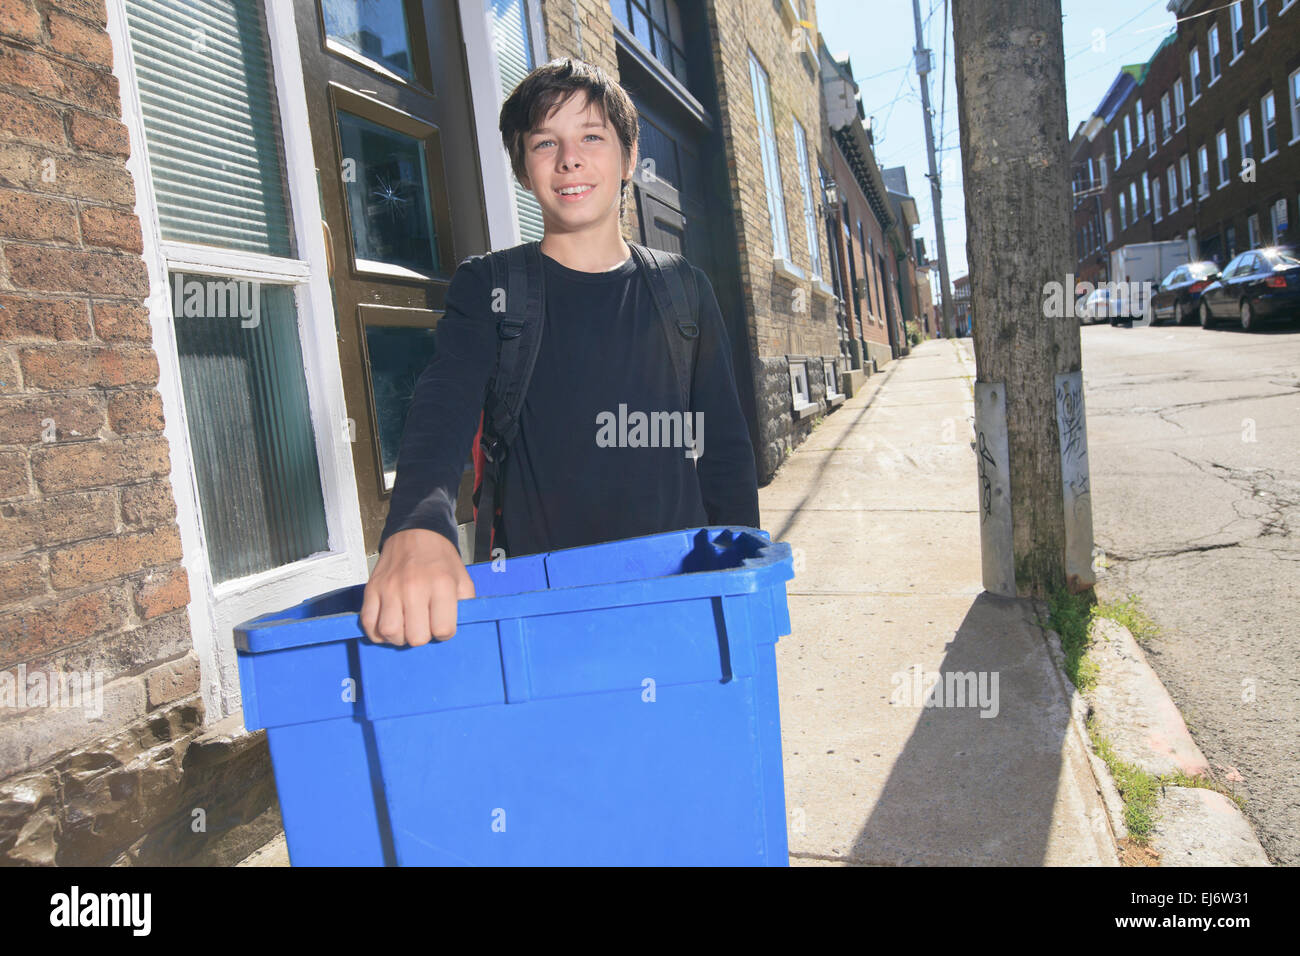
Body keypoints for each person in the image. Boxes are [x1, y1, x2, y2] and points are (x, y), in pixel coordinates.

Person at [360, 58, 760, 647]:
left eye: (591, 137)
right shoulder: (491, 289)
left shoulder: (684, 290)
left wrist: (742, 581)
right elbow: (441, 406)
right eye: (545, 141)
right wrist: (420, 520)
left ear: (627, 159)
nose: (569, 158)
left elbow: (724, 451)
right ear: (523, 168)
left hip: (677, 606)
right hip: (540, 614)